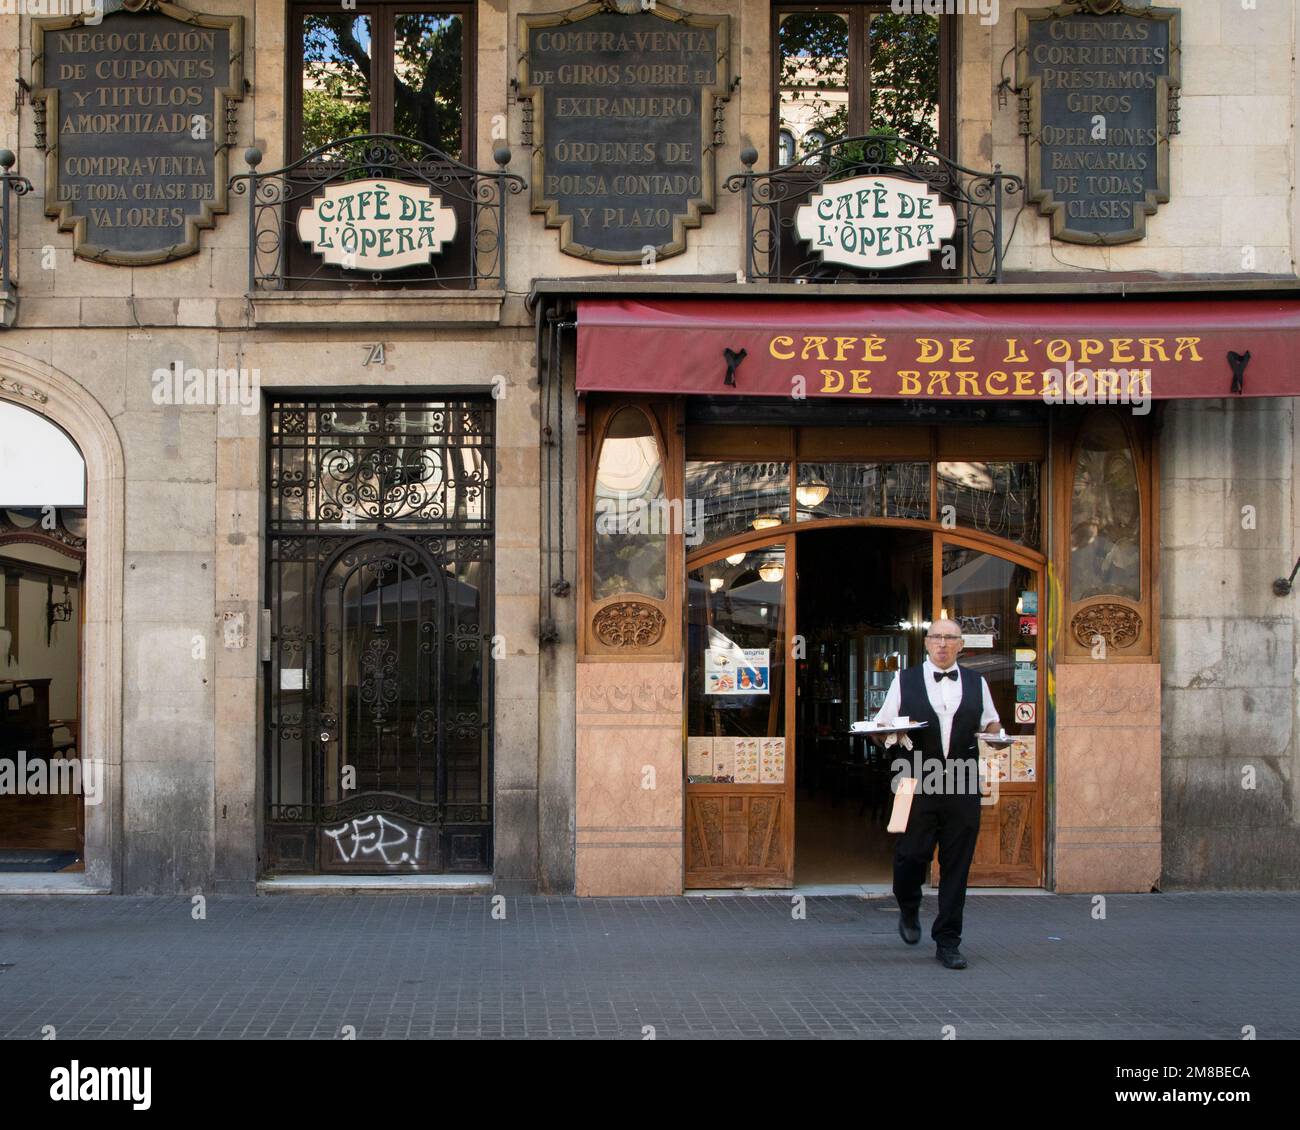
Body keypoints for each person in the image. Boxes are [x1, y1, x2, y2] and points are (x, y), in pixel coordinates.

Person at [870, 619, 1001, 970]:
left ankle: (948, 942)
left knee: (957, 865)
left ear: (961, 645)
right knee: (911, 855)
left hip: (962, 780)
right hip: (916, 778)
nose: (943, 644)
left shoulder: (977, 682)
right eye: (937, 637)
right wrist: (887, 734)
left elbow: (991, 723)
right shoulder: (904, 680)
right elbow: (882, 726)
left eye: (950, 638)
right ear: (927, 643)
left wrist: (995, 734)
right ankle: (909, 905)